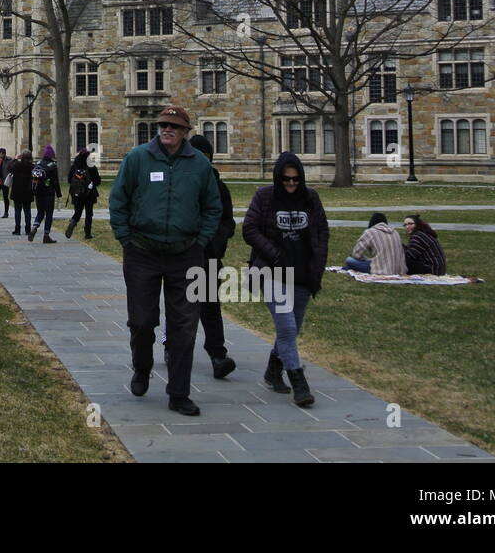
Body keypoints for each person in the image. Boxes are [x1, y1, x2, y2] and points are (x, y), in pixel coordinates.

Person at [109, 106, 221, 417]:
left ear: (186, 131)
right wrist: (125, 238)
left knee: (184, 327)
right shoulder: (138, 159)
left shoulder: (199, 165)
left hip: (185, 256)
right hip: (142, 252)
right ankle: (142, 367)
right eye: (163, 125)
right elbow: (118, 199)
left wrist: (201, 240)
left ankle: (179, 392)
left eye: (174, 126)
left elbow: (213, 207)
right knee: (142, 321)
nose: (167, 130)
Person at [242, 151, 330, 408]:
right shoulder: (265, 197)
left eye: (295, 180)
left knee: (290, 330)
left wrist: (318, 266)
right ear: (277, 178)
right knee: (288, 328)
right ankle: (299, 384)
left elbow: (322, 232)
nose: (291, 184)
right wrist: (274, 254)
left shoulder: (311, 198)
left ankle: (273, 370)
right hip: (272, 272)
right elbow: (249, 228)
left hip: (302, 274)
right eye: (286, 179)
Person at [182, 134, 237, 378]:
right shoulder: (179, 182)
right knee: (181, 307)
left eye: (204, 158)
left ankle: (217, 354)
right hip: (180, 255)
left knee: (210, 306)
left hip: (208, 256)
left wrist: (216, 243)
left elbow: (227, 222)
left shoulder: (219, 187)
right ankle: (171, 347)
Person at [64, 147, 102, 240]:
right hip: (89, 194)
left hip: (77, 194)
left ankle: (73, 222)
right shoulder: (91, 166)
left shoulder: (74, 166)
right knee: (89, 214)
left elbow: (69, 180)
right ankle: (87, 233)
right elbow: (97, 181)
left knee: (78, 212)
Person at [30, 144, 62, 243]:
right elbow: (55, 181)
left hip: (38, 192)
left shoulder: (38, 163)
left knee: (40, 212)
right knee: (48, 214)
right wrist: (59, 193)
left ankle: (35, 227)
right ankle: (46, 235)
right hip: (49, 193)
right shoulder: (52, 166)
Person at [8, 150, 35, 238]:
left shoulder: (16, 165)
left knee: (17, 210)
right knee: (27, 210)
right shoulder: (32, 166)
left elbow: (9, 167)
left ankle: (17, 229)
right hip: (28, 191)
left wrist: (15, 159)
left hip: (17, 191)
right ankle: (28, 229)